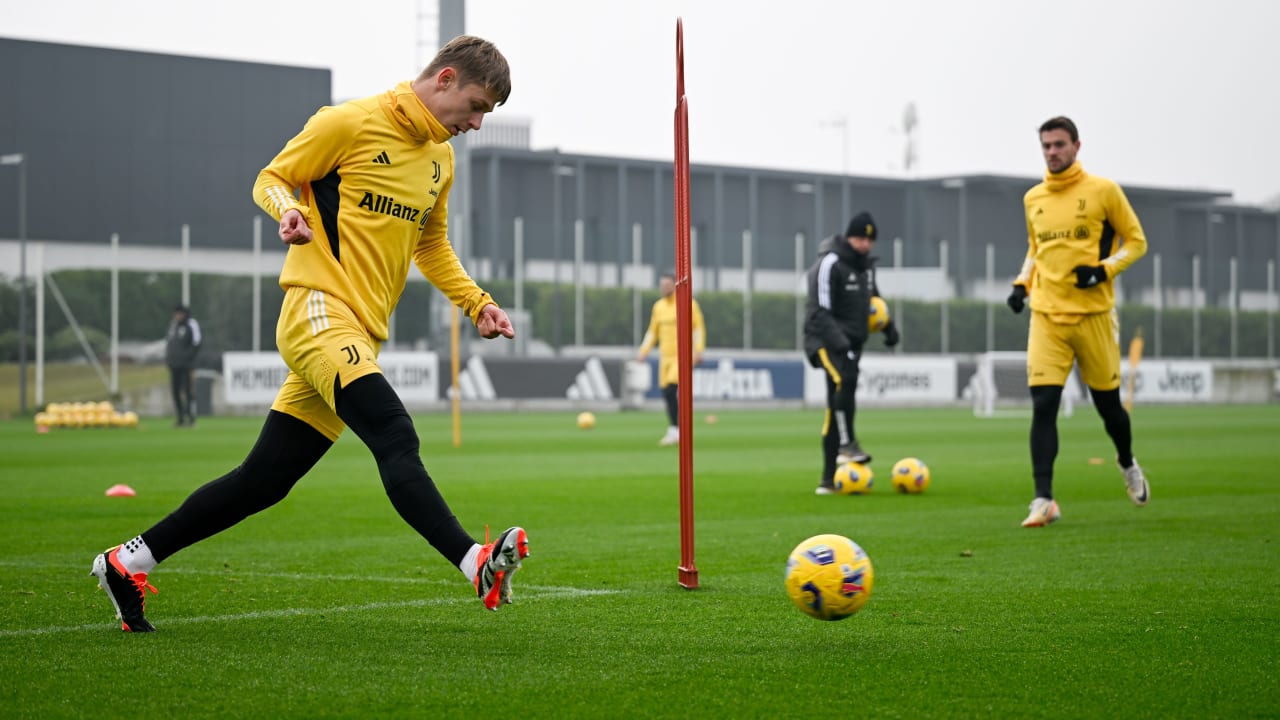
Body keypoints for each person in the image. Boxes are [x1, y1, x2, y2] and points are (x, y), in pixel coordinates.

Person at [90, 35, 529, 632]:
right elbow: (271, 177)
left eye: (486, 115)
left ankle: (125, 561)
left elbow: (431, 244)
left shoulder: (439, 161)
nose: (477, 124)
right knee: (394, 432)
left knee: (262, 481)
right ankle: (475, 562)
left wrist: (477, 303)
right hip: (318, 310)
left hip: (360, 332)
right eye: (476, 107)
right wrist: (286, 211)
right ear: (446, 80)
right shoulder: (349, 122)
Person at [1008, 115, 1150, 528]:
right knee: (1043, 405)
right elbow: (1036, 249)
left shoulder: (1103, 191)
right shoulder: (1033, 198)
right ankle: (1043, 499)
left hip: (1094, 317)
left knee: (1108, 408)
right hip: (1047, 317)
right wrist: (1022, 284)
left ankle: (1126, 463)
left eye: (1058, 144)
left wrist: (1102, 270)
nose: (1052, 152)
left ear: (1076, 146)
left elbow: (1137, 241)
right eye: (1046, 146)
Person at [803, 212, 899, 495]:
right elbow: (818, 312)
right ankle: (847, 445)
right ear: (848, 237)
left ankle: (827, 480)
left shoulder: (867, 268)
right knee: (841, 381)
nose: (865, 244)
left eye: (870, 240)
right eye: (860, 238)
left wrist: (889, 327)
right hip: (822, 340)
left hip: (851, 345)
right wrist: (841, 344)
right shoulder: (828, 263)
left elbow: (874, 302)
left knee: (840, 405)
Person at [636, 271, 706, 446]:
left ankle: (679, 429)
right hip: (665, 356)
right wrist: (644, 350)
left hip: (682, 355)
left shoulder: (688, 303)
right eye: (662, 285)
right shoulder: (658, 307)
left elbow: (698, 329)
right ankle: (675, 429)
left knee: (671, 389)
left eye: (667, 285)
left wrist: (698, 350)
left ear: (675, 285)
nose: (664, 288)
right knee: (666, 393)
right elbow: (652, 331)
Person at [165, 304, 201, 427]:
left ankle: (191, 418)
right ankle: (180, 418)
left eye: (179, 313)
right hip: (174, 365)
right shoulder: (173, 326)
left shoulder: (192, 324)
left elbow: (197, 343)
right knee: (175, 391)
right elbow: (169, 344)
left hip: (187, 365)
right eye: (176, 314)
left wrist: (187, 358)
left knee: (188, 390)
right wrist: (169, 360)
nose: (177, 316)